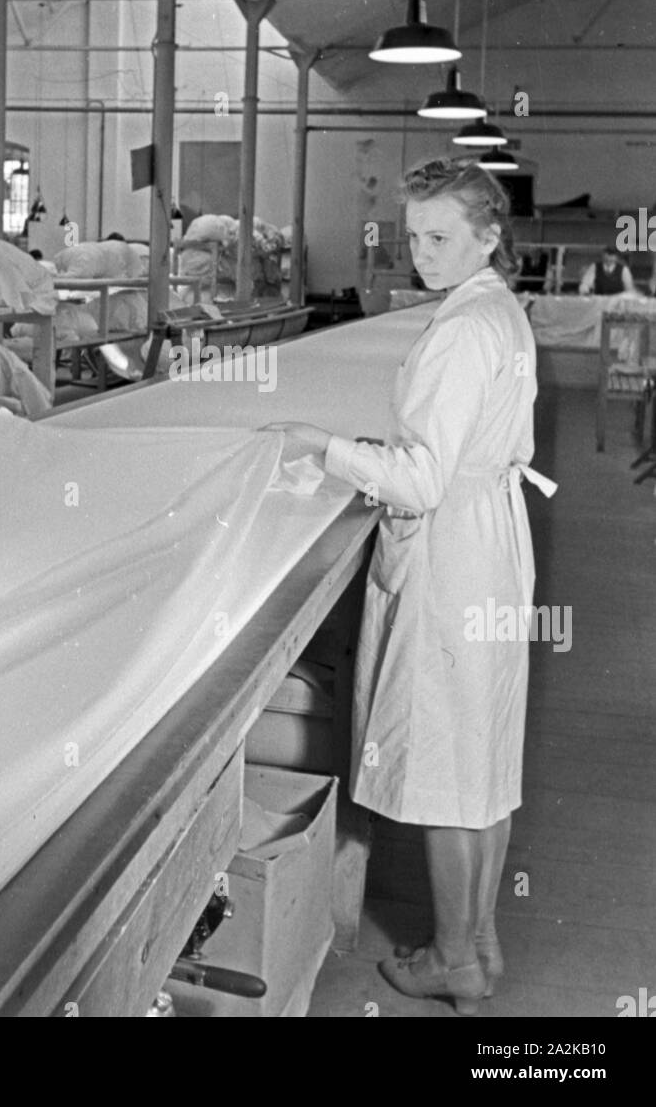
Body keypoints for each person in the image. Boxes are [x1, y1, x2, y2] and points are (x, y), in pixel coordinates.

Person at [266, 157, 556, 1014]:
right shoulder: (496, 309)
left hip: (450, 558)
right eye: (412, 236)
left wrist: (319, 444)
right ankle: (478, 939)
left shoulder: (460, 329)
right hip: (490, 545)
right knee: (481, 768)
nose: (420, 254)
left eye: (439, 237)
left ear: (487, 237)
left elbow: (423, 481)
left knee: (441, 775)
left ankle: (455, 962)